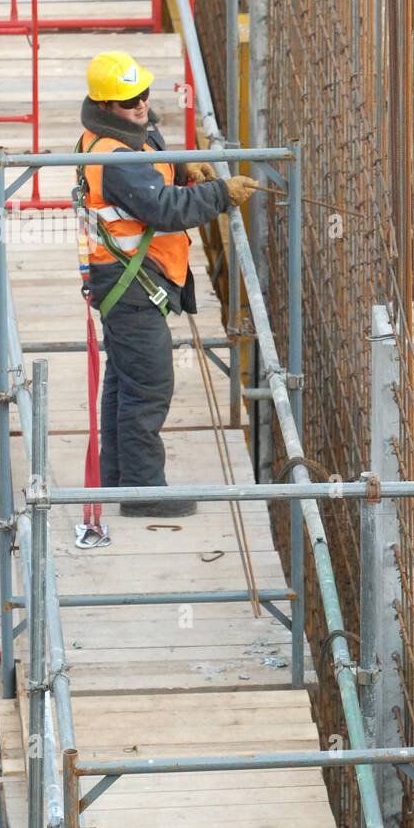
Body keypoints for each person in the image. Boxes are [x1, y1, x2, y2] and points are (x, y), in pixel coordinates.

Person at [77, 50, 260, 518]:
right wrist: (220, 193)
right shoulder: (114, 156)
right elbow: (163, 209)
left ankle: (120, 482)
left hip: (132, 281)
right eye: (127, 101)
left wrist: (183, 170)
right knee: (149, 388)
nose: (139, 105)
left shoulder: (131, 135)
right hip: (130, 285)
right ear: (104, 107)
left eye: (142, 95)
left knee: (124, 383)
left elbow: (156, 174)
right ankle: (145, 491)